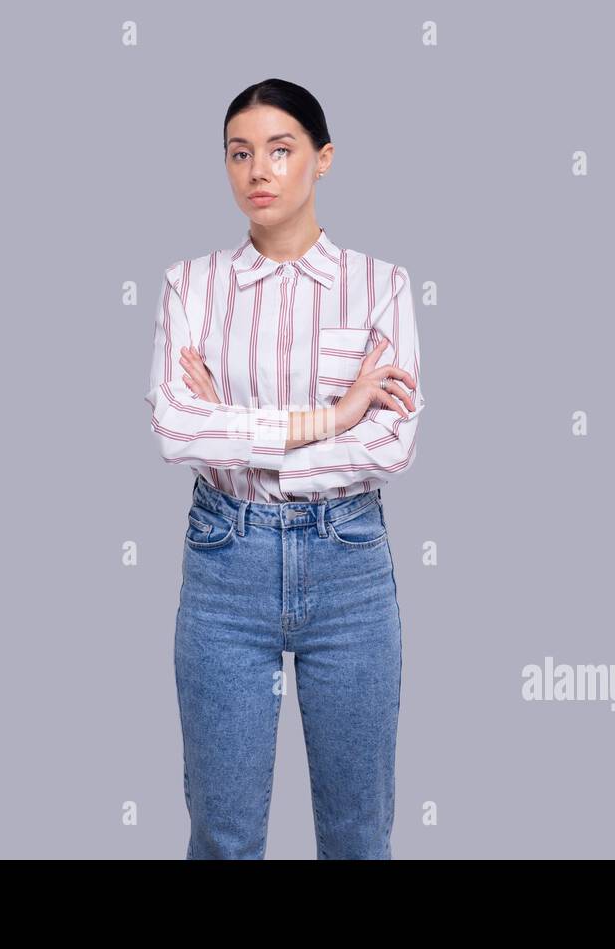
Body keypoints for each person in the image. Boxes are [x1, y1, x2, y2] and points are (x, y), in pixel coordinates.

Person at [143, 78, 425, 859]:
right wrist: (335, 417)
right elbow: (174, 427)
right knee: (224, 836)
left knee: (358, 836)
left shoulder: (381, 286)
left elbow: (391, 445)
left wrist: (232, 427)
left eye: (280, 149)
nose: (256, 171)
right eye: (239, 154)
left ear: (322, 159)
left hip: (350, 565)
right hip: (224, 563)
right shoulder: (191, 286)